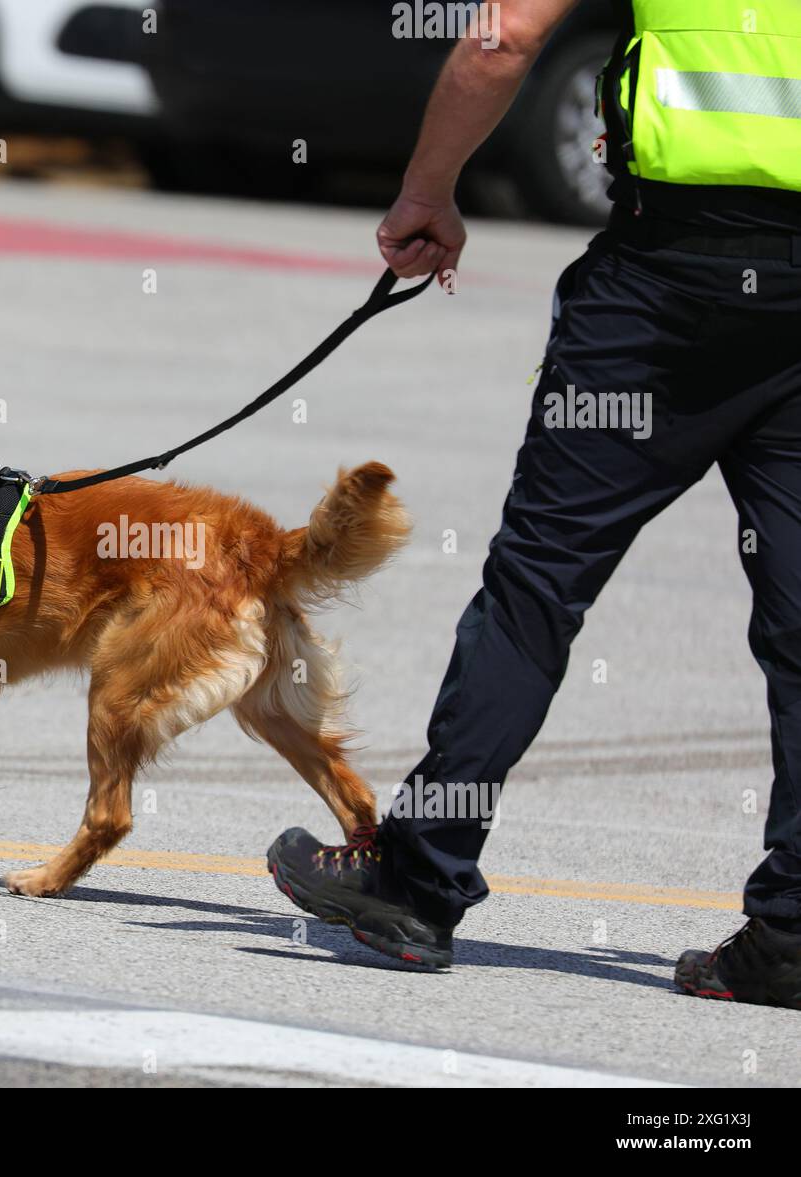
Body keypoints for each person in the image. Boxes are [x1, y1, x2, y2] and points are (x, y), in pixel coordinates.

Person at [268, 0, 801, 1009]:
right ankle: (790, 933)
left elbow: (500, 37)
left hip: (664, 289)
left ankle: (417, 882)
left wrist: (427, 189)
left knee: (536, 588)